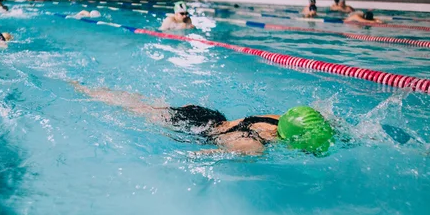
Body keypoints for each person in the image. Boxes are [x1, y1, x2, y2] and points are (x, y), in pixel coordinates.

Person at [69, 82, 336, 155]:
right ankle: (86, 91)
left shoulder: (277, 118)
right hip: (194, 127)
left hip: (210, 116)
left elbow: (318, 119)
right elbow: (206, 155)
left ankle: (93, 89)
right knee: (136, 110)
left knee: (145, 104)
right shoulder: (252, 147)